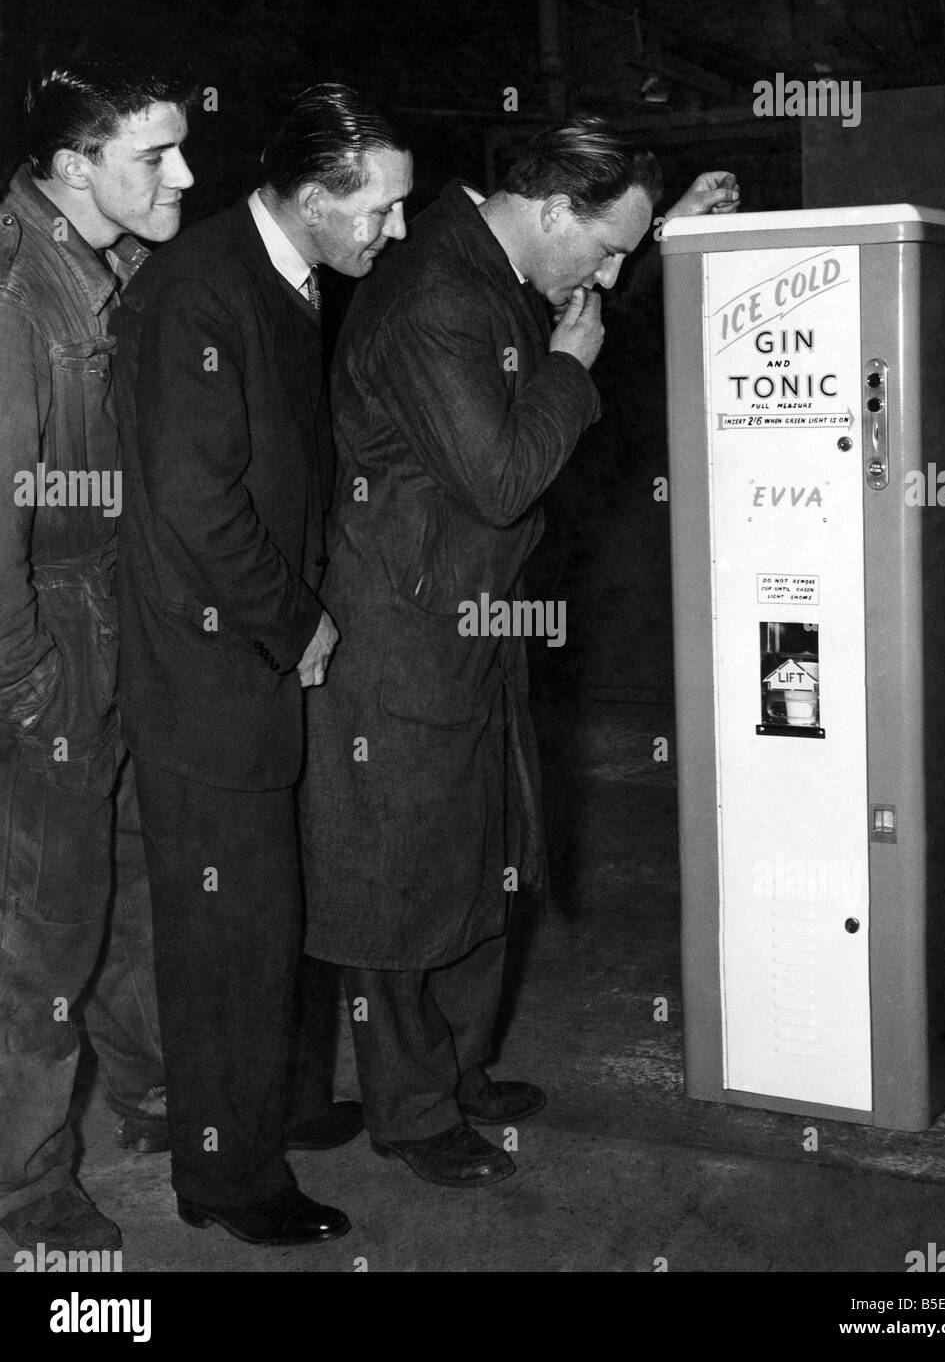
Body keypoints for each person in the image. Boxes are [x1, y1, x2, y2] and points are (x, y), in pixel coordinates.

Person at [299, 116, 738, 1187]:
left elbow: (567, 316)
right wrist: (571, 371)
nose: (609, 269)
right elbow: (500, 475)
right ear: (549, 209)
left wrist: (652, 241)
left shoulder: (491, 264)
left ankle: (458, 1070)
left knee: (487, 854)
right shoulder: (436, 296)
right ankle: (412, 1111)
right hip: (406, 633)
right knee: (403, 876)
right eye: (605, 245)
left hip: (470, 616)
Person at [110, 84, 412, 1247]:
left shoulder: (280, 276)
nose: (390, 229)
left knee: (266, 914)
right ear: (311, 195)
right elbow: (196, 504)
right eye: (377, 209)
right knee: (226, 938)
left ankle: (270, 1107)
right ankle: (227, 1176)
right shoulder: (204, 286)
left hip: (246, 663)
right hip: (210, 671)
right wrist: (300, 623)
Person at [0, 62, 196, 1253]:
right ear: (77, 169)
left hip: (116, 615)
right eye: (154, 157)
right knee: (45, 924)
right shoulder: (18, 293)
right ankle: (26, 1188)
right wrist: (25, 680)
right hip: (48, 627)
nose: (184, 173)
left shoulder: (113, 263)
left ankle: (155, 1092)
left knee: (127, 874)